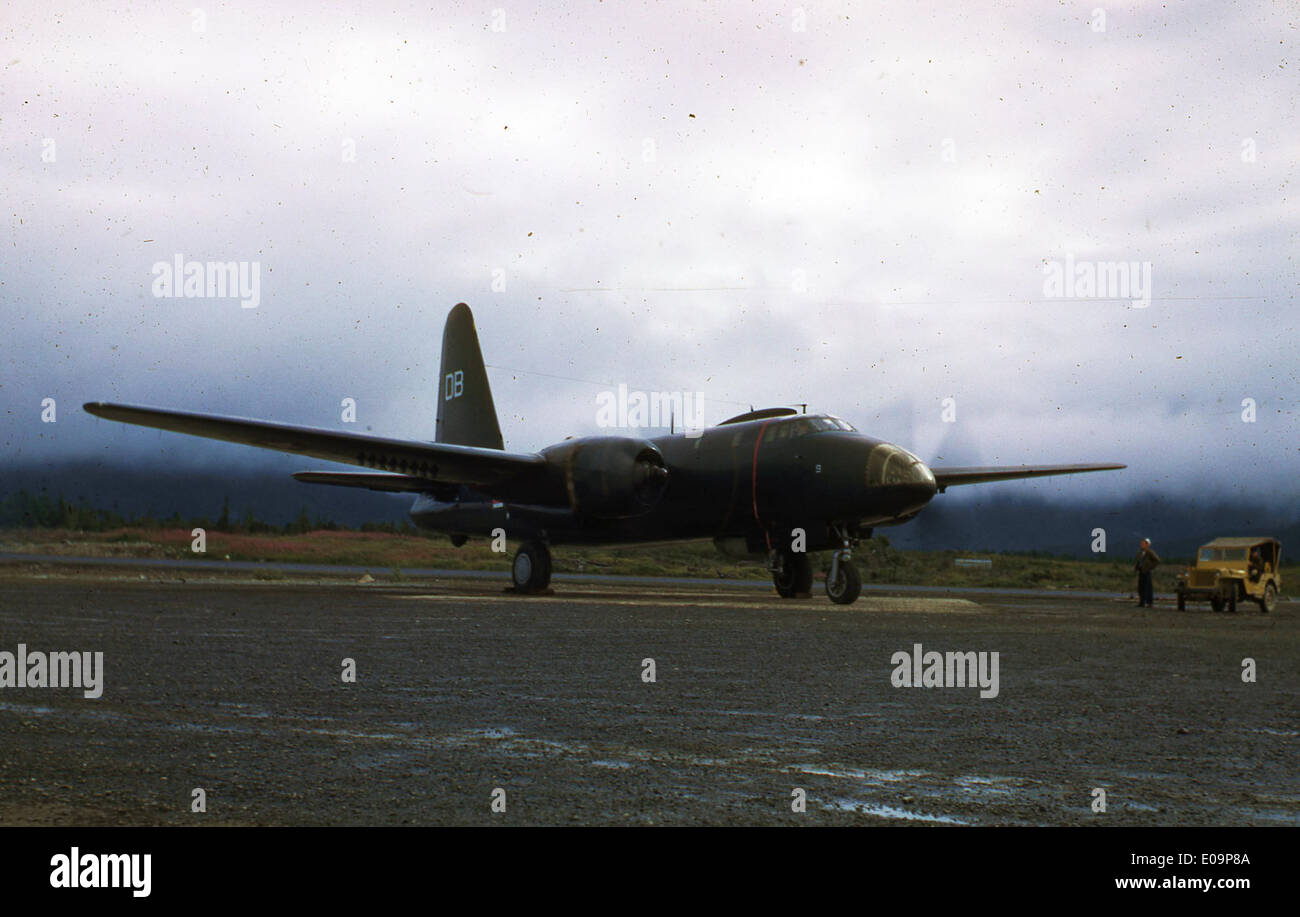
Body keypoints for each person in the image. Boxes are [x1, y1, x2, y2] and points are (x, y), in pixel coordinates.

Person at [1134, 538, 1160, 607]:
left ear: (1147, 544)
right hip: (1141, 571)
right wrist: (1136, 568)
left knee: (1148, 587)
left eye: (1143, 543)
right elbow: (1138, 561)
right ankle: (1142, 602)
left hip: (1147, 572)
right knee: (1141, 587)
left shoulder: (1150, 552)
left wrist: (1150, 567)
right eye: (1141, 543)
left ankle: (1149, 603)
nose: (1142, 545)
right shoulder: (1140, 552)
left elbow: (1157, 560)